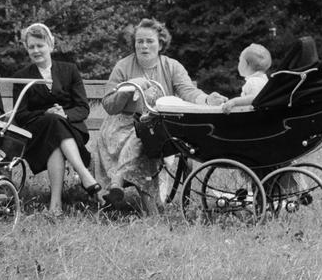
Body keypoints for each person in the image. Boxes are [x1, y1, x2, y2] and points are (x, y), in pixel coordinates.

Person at [96, 18, 225, 214]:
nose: (144, 46)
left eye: (149, 41)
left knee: (147, 139)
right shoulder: (123, 66)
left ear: (161, 44)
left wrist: (208, 99)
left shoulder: (172, 66)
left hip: (156, 125)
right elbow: (109, 105)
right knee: (144, 141)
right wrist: (130, 87)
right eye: (139, 41)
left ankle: (118, 181)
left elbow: (188, 92)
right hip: (122, 126)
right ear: (134, 44)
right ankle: (151, 211)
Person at [12, 22, 101, 216]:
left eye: (40, 45)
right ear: (27, 49)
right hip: (37, 133)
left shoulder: (69, 70)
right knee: (52, 123)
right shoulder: (21, 76)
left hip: (70, 129)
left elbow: (83, 108)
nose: (36, 50)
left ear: (51, 45)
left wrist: (64, 114)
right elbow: (20, 115)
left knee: (55, 132)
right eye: (31, 47)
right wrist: (47, 114)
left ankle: (55, 206)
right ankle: (84, 174)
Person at [221, 44, 272, 113]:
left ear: (244, 64)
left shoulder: (254, 81)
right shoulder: (263, 80)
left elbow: (255, 98)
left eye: (240, 61)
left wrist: (234, 102)